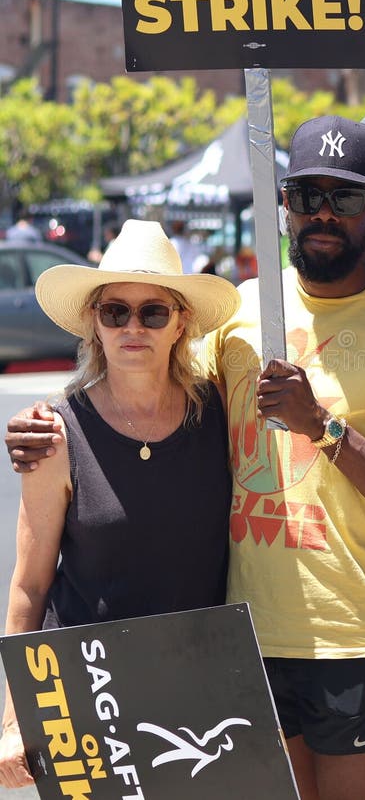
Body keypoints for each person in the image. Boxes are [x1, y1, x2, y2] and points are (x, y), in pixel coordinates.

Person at [5, 116, 365, 800]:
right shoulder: (244, 314)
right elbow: (146, 383)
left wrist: (323, 428)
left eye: (344, 198)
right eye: (306, 195)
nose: (322, 214)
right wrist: (51, 420)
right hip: (240, 638)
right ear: (282, 204)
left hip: (359, 639)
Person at [0, 219, 240, 790]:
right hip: (88, 697)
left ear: (180, 323)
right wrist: (13, 717)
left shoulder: (221, 414)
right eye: (115, 312)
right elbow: (30, 586)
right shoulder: (56, 434)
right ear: (94, 323)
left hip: (195, 690)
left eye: (153, 312)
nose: (133, 327)